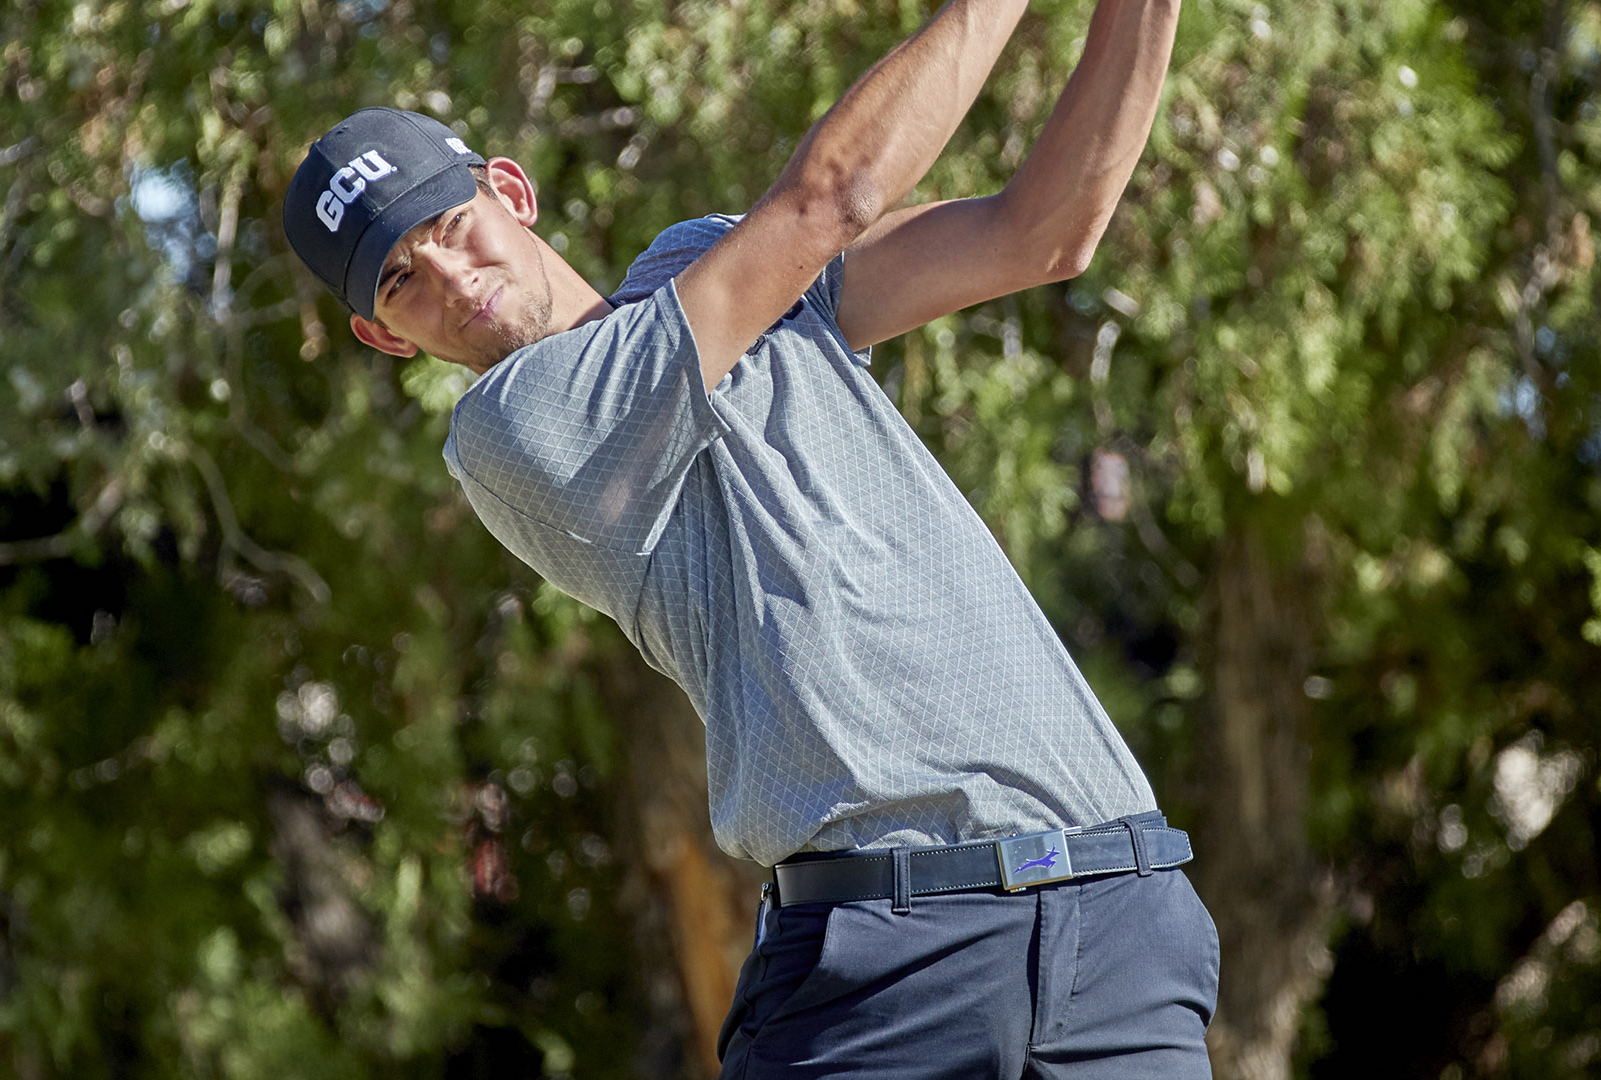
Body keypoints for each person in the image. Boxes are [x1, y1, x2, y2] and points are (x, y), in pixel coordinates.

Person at [283, 0, 1209, 1075]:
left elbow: (1046, 229)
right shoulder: (513, 430)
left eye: (448, 227)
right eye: (400, 279)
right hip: (889, 962)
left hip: (1121, 918)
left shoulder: (711, 262)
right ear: (379, 336)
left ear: (512, 191)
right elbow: (832, 196)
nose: (450, 279)